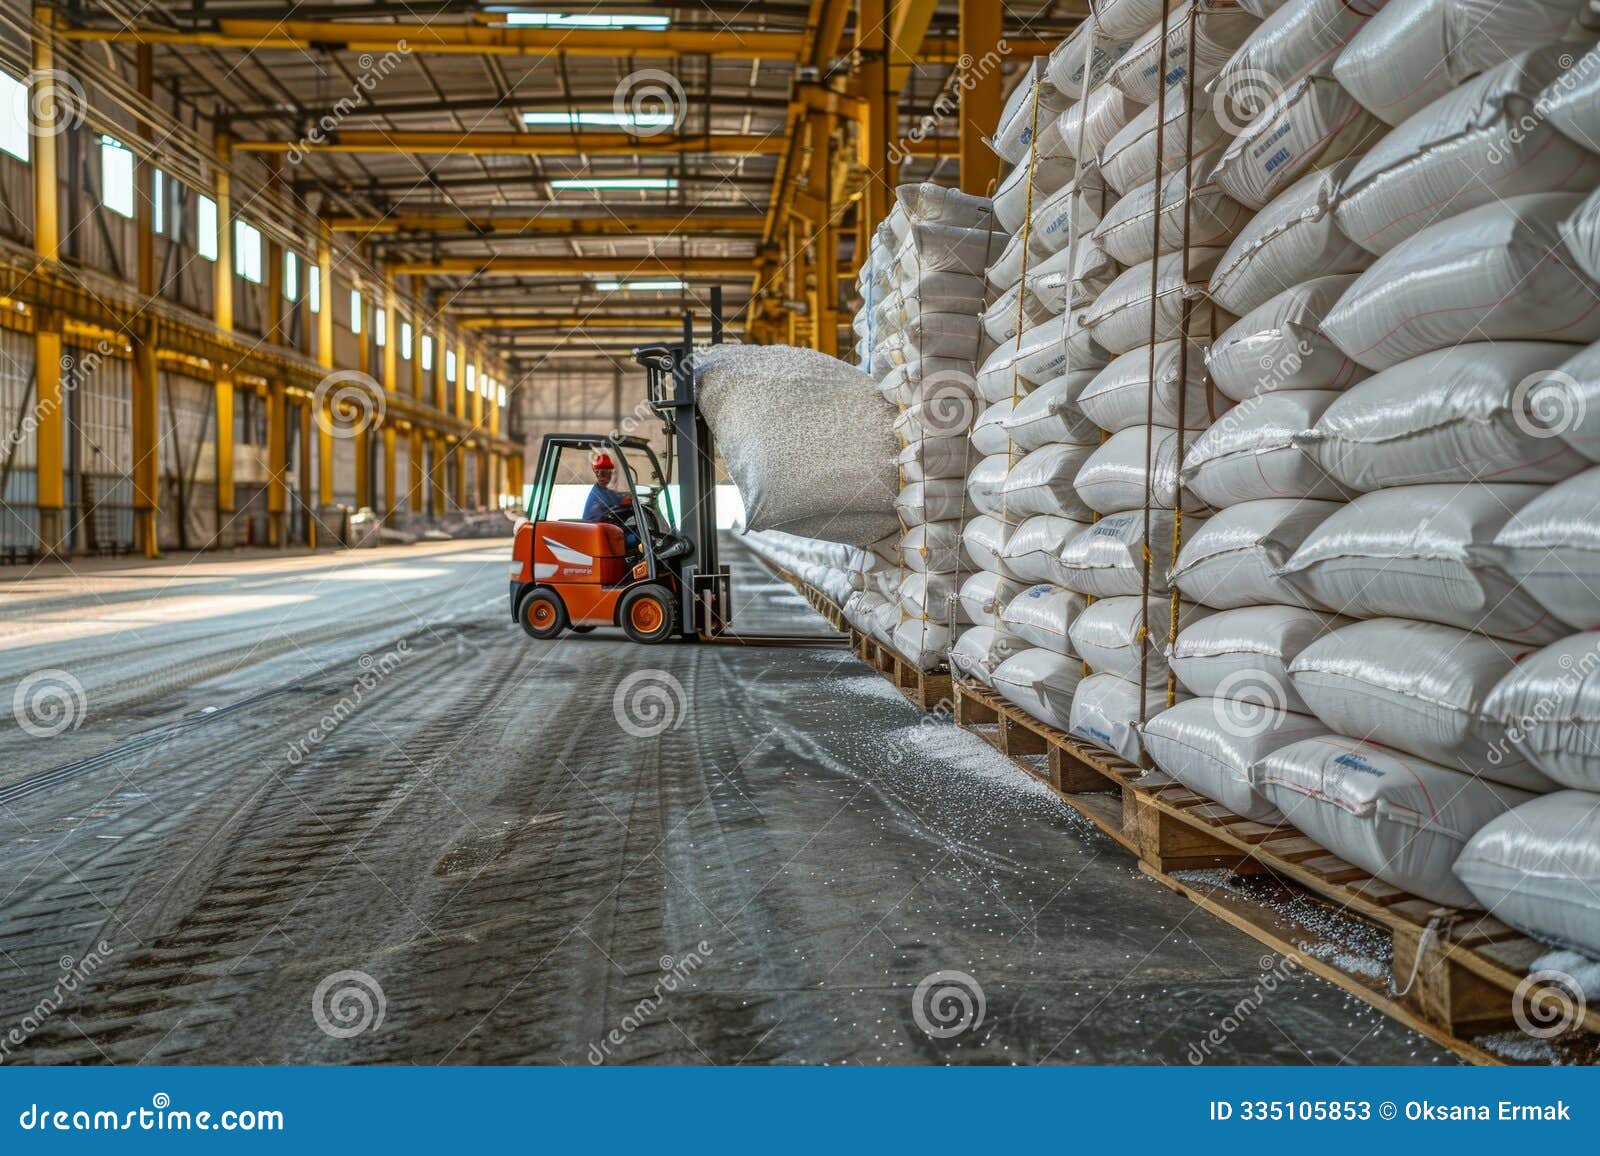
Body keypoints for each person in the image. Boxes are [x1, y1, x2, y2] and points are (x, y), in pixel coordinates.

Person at [583, 452, 635, 543]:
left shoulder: (607, 490)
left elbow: (618, 498)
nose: (601, 476)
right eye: (598, 472)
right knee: (634, 539)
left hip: (607, 528)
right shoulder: (597, 493)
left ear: (611, 472)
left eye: (604, 472)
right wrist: (622, 502)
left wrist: (627, 498)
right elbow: (611, 505)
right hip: (597, 532)